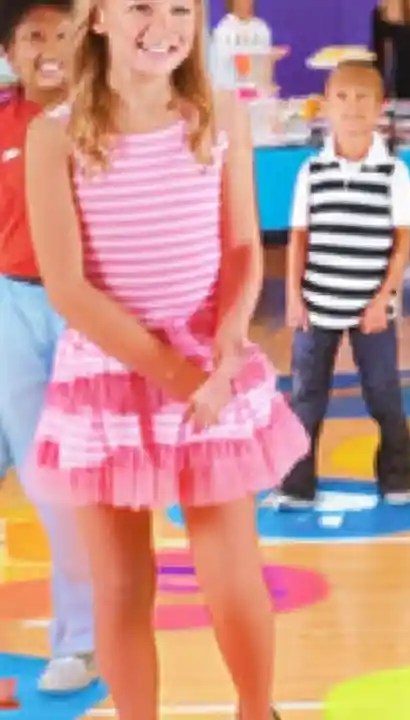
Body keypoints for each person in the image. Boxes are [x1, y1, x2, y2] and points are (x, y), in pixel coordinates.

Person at [23, 0, 308, 716]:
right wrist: (181, 380)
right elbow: (68, 287)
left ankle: (257, 707)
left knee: (230, 572)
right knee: (119, 584)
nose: (163, 24)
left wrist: (229, 343)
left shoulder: (219, 116)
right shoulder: (53, 137)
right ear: (97, 19)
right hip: (108, 379)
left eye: (180, 7)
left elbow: (244, 245)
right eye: (140, 6)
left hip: (209, 364)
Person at [0, 0, 97, 694]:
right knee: (40, 478)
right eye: (34, 35)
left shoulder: (103, 119)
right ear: (10, 51)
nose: (49, 47)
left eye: (63, 32)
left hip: (85, 311)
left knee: (74, 484)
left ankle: (82, 640)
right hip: (11, 304)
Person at [272, 60, 410, 510]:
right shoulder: (311, 172)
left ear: (381, 108)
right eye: (342, 98)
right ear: (325, 107)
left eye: (363, 99)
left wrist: (383, 299)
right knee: (305, 398)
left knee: (384, 394)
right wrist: (294, 297)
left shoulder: (393, 173)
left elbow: (402, 245)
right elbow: (299, 239)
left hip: (371, 312)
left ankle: (397, 477)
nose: (352, 108)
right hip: (317, 307)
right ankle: (296, 483)